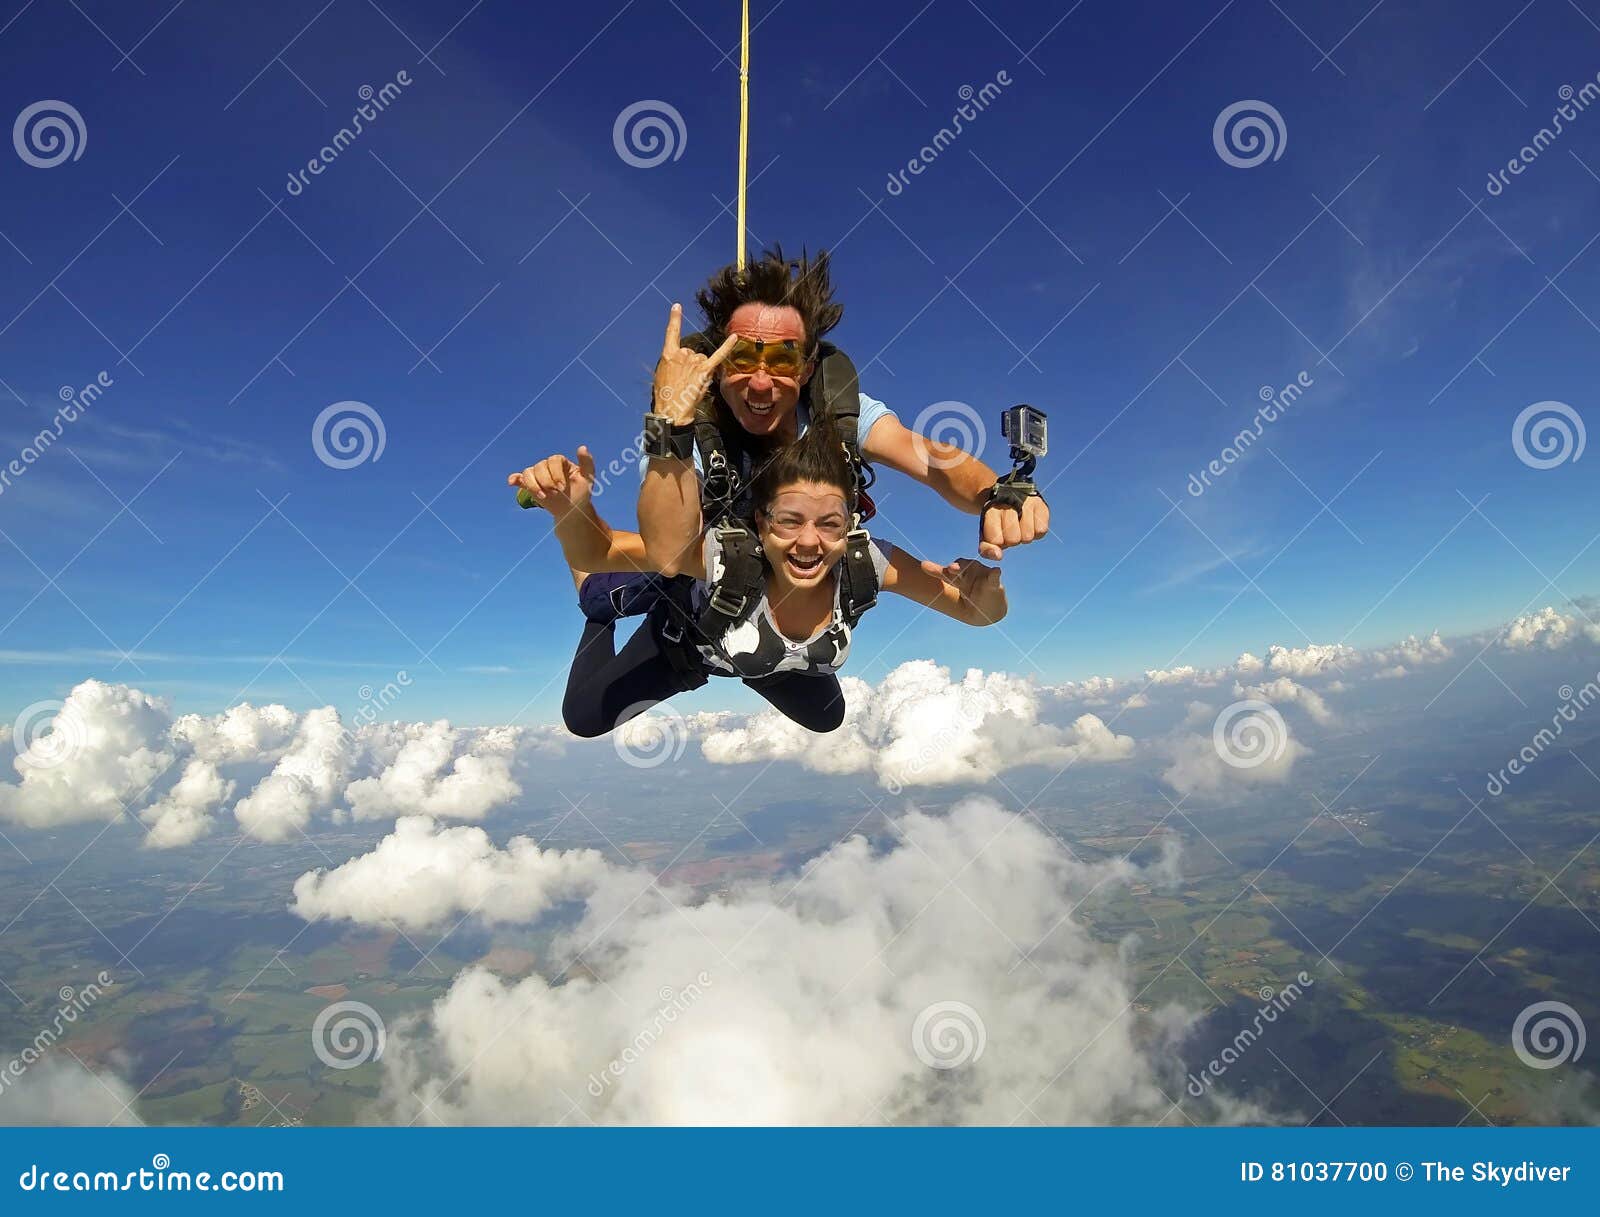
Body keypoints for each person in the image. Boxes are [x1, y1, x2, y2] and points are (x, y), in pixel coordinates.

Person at [510, 416, 1007, 739]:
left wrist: (989, 597)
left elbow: (975, 615)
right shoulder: (727, 556)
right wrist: (571, 509)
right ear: (761, 525)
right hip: (687, 638)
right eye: (789, 521)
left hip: (762, 656)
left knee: (827, 718)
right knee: (585, 714)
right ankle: (605, 608)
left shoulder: (868, 561)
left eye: (829, 523)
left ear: (850, 526)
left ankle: (745, 649)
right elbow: (598, 550)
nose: (810, 542)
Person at [636, 245, 1050, 578]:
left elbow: (929, 458)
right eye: (741, 357)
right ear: (717, 363)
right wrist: (669, 420)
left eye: (783, 361)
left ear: (807, 370)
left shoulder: (836, 412)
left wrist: (996, 492)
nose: (760, 383)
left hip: (792, 627)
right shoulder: (681, 423)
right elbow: (670, 556)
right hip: (701, 620)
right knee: (614, 596)